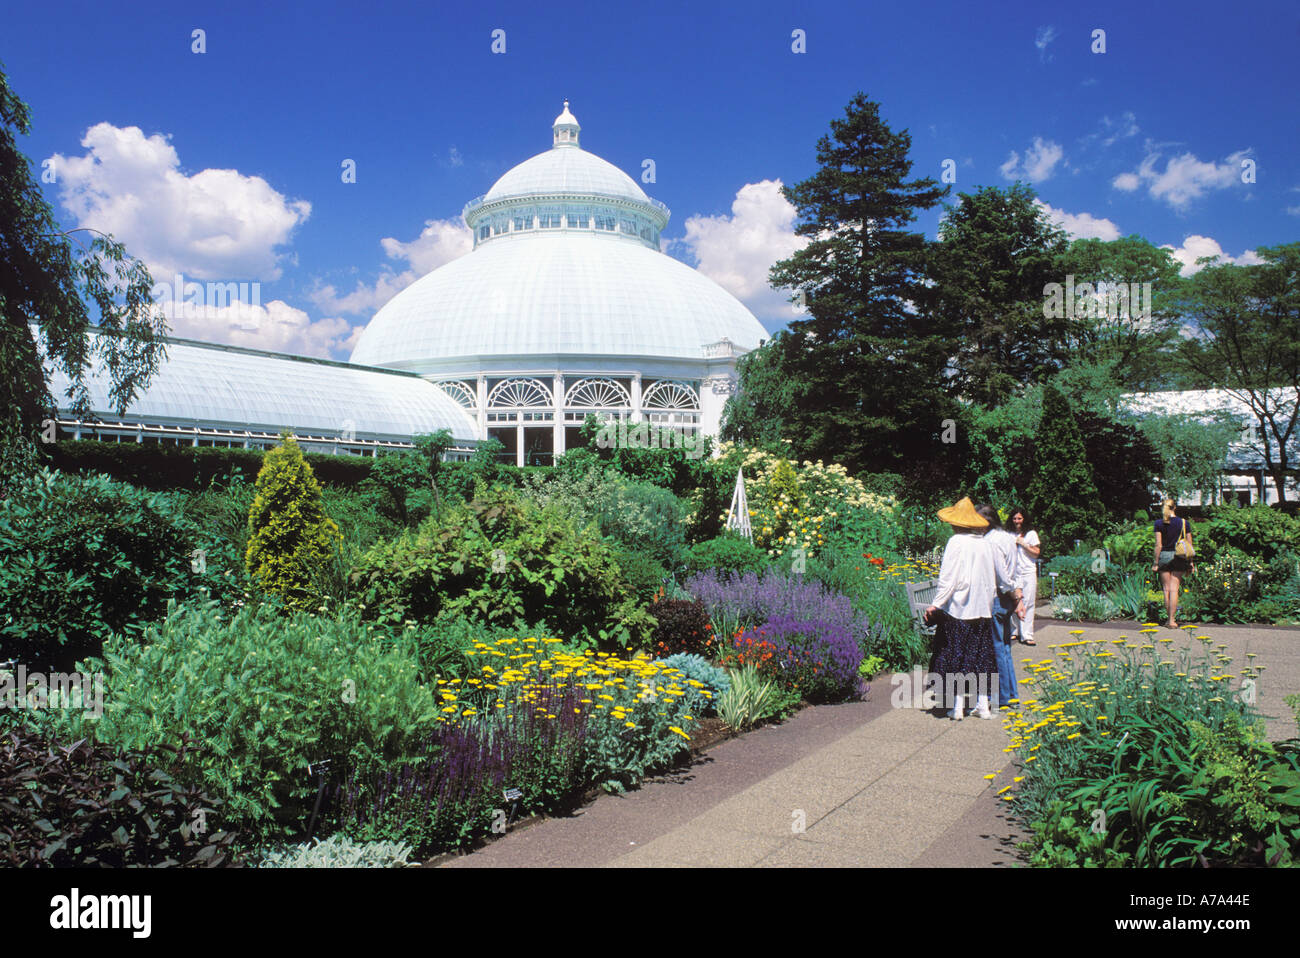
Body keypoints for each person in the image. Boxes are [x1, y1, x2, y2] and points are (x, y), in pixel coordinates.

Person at [924, 497, 997, 720]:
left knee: (956, 656)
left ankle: (957, 707)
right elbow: (991, 579)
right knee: (981, 657)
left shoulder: (956, 542)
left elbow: (949, 578)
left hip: (959, 609)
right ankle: (983, 705)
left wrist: (936, 604)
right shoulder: (985, 543)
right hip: (982, 609)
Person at [977, 504, 1022, 711]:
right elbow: (1015, 568)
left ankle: (1003, 696)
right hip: (1005, 598)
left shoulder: (990, 542)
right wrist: (1016, 595)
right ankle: (1011, 694)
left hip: (997, 595)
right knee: (1004, 648)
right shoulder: (1007, 537)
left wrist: (1011, 592)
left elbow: (1001, 573)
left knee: (997, 647)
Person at [1153, 499, 1196, 629]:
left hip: (1164, 556)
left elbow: (1158, 545)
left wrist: (1155, 563)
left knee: (1166, 590)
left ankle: (1168, 620)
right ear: (1175, 507)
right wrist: (1191, 562)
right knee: (1174, 589)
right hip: (1179, 556)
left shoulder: (1159, 523)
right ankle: (1172, 620)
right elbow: (1189, 545)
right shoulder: (1184, 523)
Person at [1007, 507, 1040, 646]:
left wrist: (1023, 544)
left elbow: (1036, 552)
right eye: (1014, 518)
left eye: (1019, 518)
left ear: (1024, 519)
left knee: (1028, 602)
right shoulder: (1008, 534)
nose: (1017, 521)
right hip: (1013, 572)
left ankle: (1027, 634)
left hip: (1028, 572)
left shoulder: (1031, 534)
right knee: (1013, 601)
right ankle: (1014, 631)